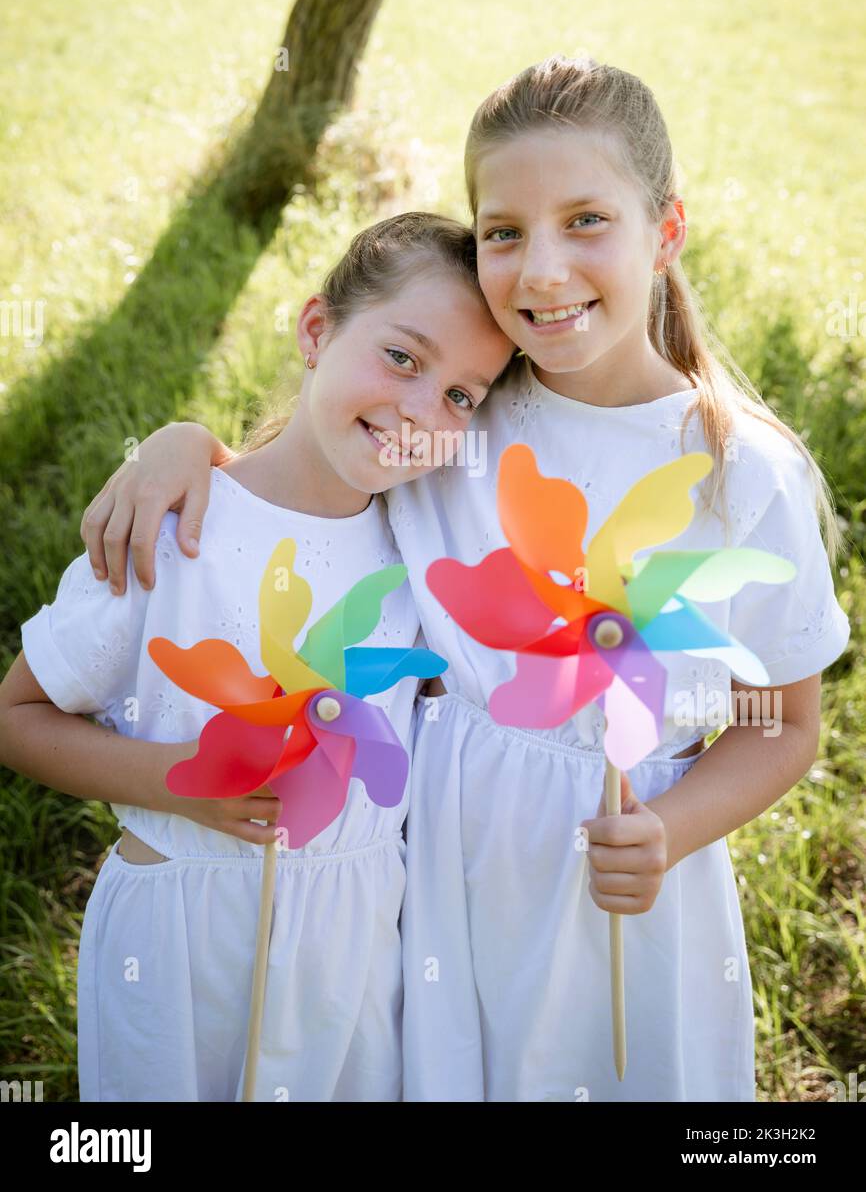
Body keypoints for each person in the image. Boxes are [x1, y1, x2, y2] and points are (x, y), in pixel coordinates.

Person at [72, 57, 851, 1103]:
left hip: (625, 874)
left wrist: (670, 829)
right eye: (502, 231)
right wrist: (185, 443)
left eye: (585, 220)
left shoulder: (741, 472)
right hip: (441, 868)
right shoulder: (464, 412)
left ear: (664, 232)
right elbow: (313, 474)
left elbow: (780, 721)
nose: (539, 271)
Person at [0, 211, 516, 1102]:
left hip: (353, 939)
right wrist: (175, 779)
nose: (422, 412)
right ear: (317, 331)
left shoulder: (422, 552)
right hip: (182, 940)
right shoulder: (174, 528)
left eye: (463, 396)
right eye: (402, 357)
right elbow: (17, 717)